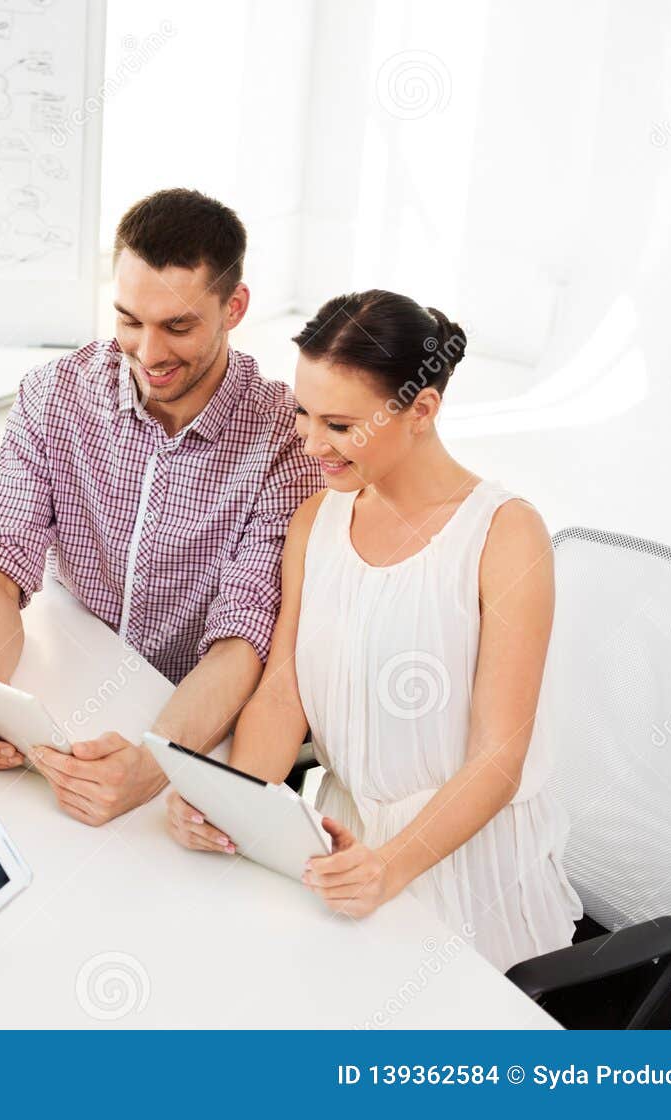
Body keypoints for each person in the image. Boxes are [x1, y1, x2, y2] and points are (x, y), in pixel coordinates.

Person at [164, 290, 582, 971]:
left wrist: (389, 867)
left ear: (421, 410)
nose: (309, 442)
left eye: (339, 424)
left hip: (456, 867)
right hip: (337, 848)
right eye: (304, 414)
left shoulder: (504, 535)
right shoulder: (316, 522)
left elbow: (499, 761)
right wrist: (232, 806)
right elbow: (281, 696)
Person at [0, 188, 324, 826]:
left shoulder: (284, 440)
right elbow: (1, 558)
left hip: (194, 721)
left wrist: (155, 763)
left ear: (235, 307)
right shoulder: (53, 395)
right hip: (66, 687)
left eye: (178, 326)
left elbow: (244, 636)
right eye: (128, 320)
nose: (148, 353)